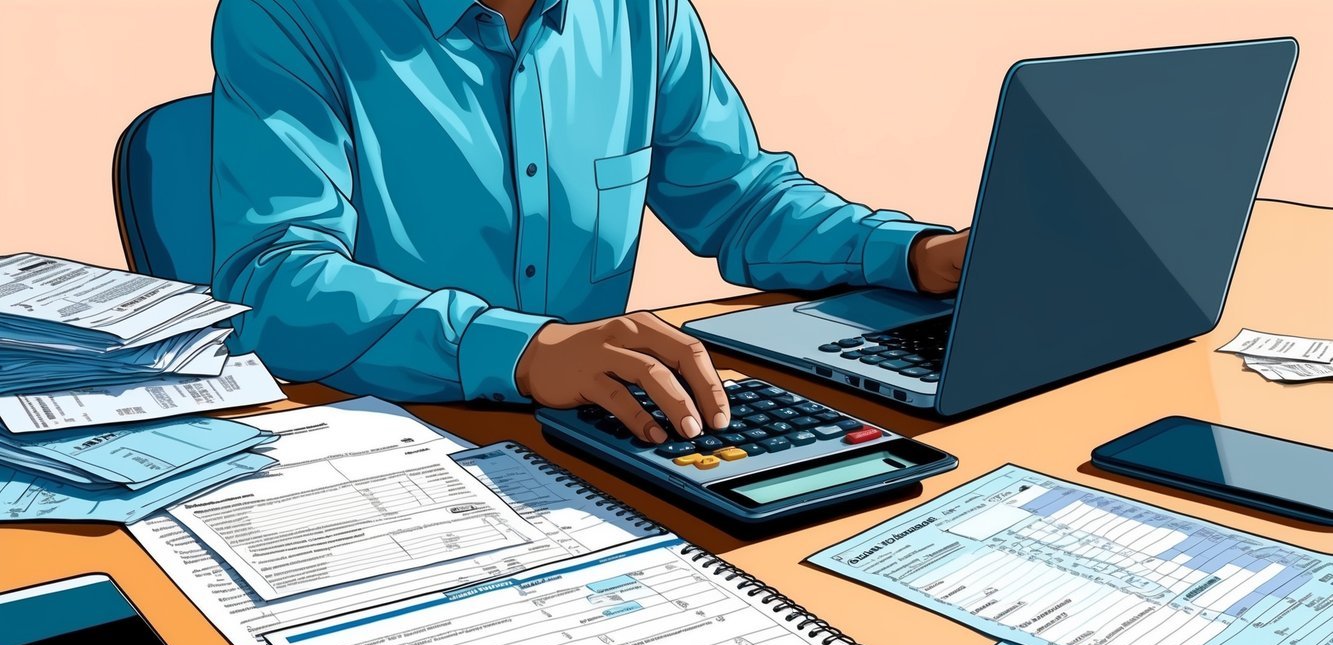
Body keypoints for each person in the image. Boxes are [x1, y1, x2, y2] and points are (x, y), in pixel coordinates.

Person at [210, 0, 969, 445]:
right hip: (380, 445)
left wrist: (915, 255)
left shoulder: (640, 11)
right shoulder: (285, 15)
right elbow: (276, 280)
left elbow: (740, 198)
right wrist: (527, 350)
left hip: (596, 435)